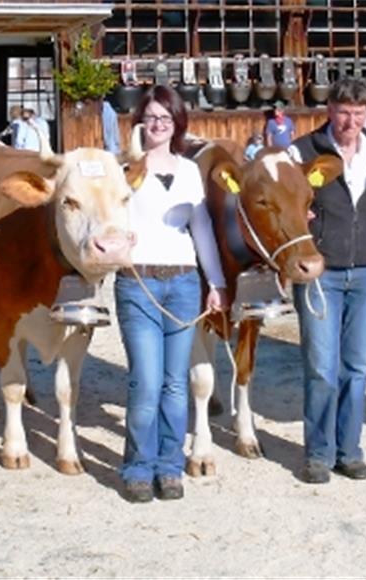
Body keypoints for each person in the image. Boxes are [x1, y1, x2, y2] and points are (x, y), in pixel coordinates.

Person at [286, 77, 366, 484]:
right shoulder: (301, 151)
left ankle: (349, 450)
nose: (350, 121)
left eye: (358, 114)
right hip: (322, 272)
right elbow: (284, 203)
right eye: (343, 112)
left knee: (356, 366)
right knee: (321, 366)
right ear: (330, 111)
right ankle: (318, 453)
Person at [116, 84, 227, 503]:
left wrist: (214, 283)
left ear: (177, 123)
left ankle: (170, 466)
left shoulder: (188, 170)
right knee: (145, 381)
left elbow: (201, 231)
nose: (158, 124)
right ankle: (138, 467)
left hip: (183, 282)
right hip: (138, 282)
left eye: (166, 117)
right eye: (151, 117)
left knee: (175, 384)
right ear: (140, 122)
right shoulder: (125, 169)